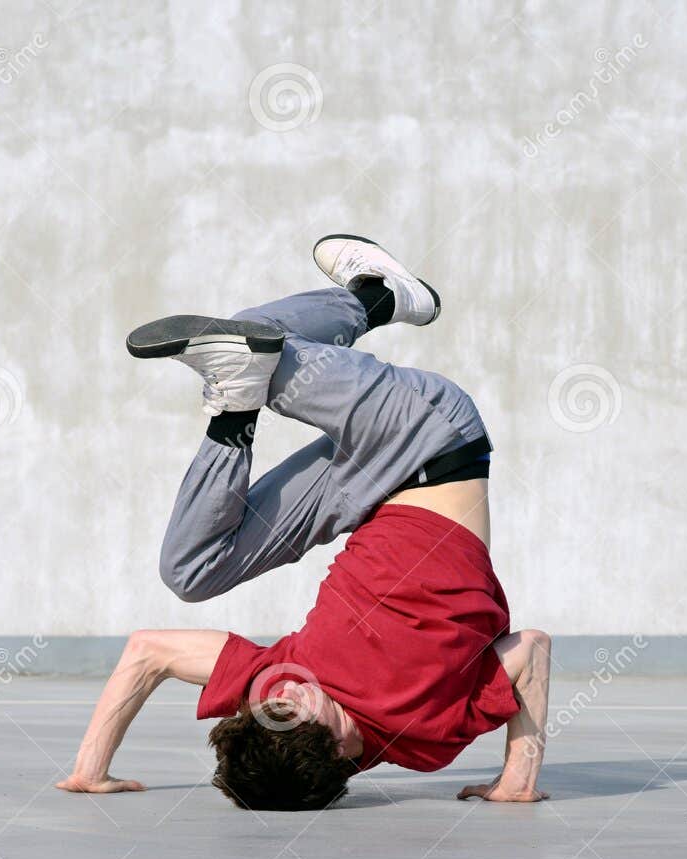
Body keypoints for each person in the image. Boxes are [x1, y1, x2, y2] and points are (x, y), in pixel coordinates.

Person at [57, 236, 551, 809]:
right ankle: (365, 306)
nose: (287, 689)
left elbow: (148, 651)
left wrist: (89, 768)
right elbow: (531, 648)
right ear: (341, 751)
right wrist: (519, 778)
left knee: (189, 572)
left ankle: (368, 307)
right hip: (433, 435)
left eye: (270, 703)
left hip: (358, 489)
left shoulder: (275, 685)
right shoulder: (429, 738)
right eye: (298, 704)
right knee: (253, 354)